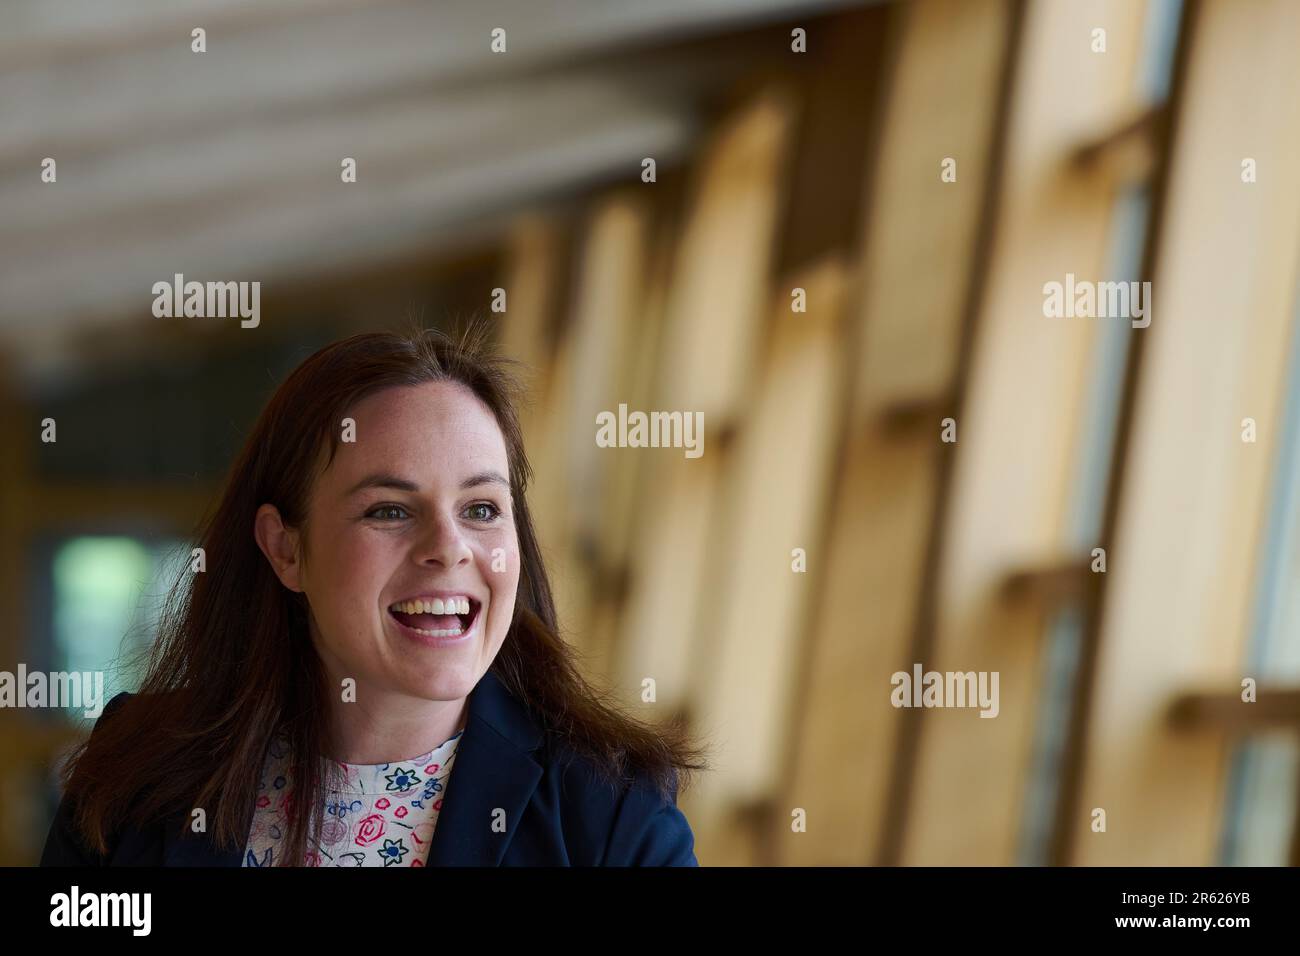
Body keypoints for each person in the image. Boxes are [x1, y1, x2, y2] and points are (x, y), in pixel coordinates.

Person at [40, 322, 707, 866]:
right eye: (389, 510)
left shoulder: (613, 815)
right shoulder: (136, 780)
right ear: (285, 548)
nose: (448, 547)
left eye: (480, 509)